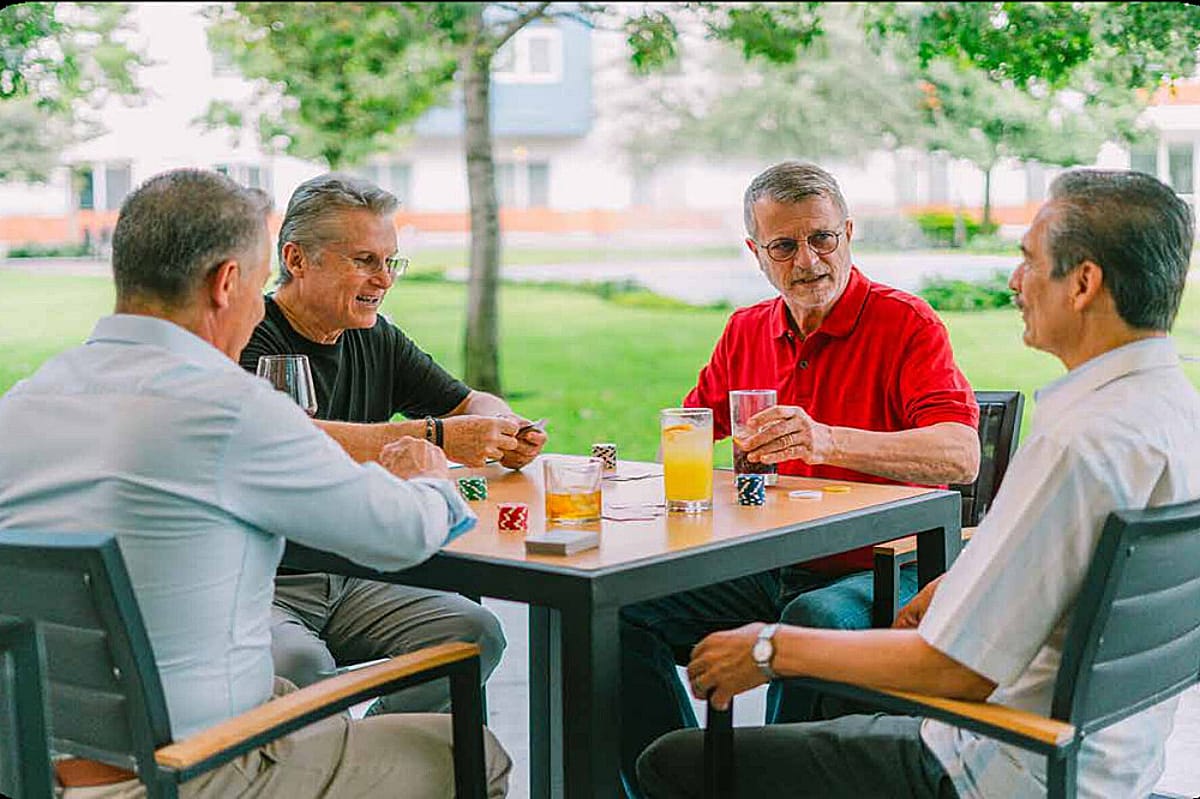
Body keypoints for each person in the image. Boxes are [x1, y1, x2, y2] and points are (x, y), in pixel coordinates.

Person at [637, 168, 1200, 798]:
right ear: (758, 253)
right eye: (783, 247)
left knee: (670, 763)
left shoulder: (1080, 442)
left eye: (1028, 260)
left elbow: (953, 669)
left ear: (1084, 284)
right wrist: (963, 575)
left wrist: (771, 650)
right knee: (638, 616)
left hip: (986, 764)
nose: (1015, 281)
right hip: (1104, 760)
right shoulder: (1170, 412)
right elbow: (1055, 570)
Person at [0, 169, 511, 797]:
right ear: (227, 284)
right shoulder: (227, 406)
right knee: (473, 753)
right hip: (202, 764)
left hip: (40, 767)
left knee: (294, 676)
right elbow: (401, 538)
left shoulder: (22, 405)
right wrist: (429, 478)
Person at [618, 161, 980, 789]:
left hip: (884, 568)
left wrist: (827, 438)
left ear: (848, 233)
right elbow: (690, 427)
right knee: (622, 610)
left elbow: (960, 454)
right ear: (757, 253)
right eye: (784, 245)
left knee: (810, 618)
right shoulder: (747, 329)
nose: (807, 260)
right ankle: (680, 777)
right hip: (770, 557)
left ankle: (766, 784)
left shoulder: (906, 322)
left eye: (822, 238)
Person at [238, 172, 546, 715]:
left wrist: (505, 427)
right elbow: (287, 440)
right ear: (297, 257)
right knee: (300, 666)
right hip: (265, 579)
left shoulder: (373, 333)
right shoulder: (250, 335)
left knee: (473, 634)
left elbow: (467, 402)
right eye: (364, 260)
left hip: (352, 572)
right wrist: (432, 436)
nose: (384, 278)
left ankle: (376, 750)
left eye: (390, 261)